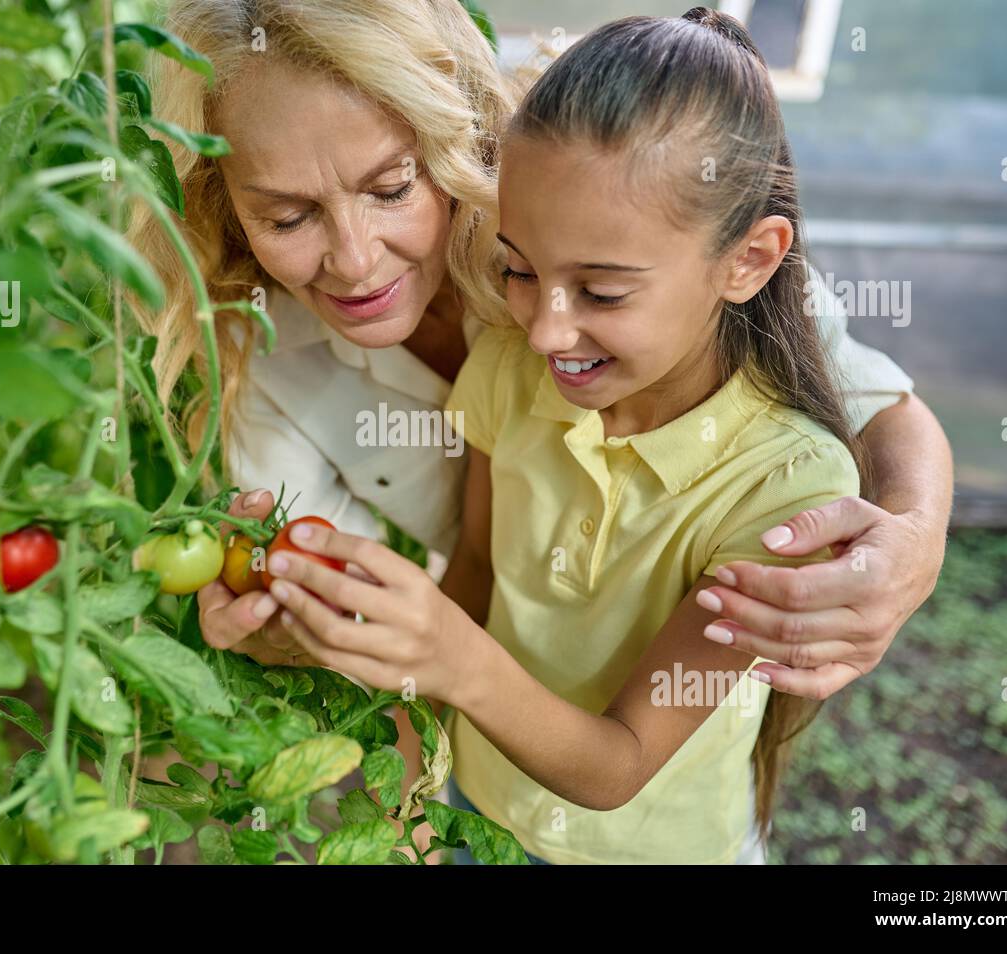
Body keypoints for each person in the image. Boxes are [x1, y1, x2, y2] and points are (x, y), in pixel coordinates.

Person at [255, 7, 885, 863]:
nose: (546, 330)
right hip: (476, 811)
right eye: (519, 270)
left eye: (603, 292)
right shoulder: (513, 373)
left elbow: (617, 764)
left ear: (749, 260)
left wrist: (450, 658)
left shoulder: (790, 488)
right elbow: (474, 572)